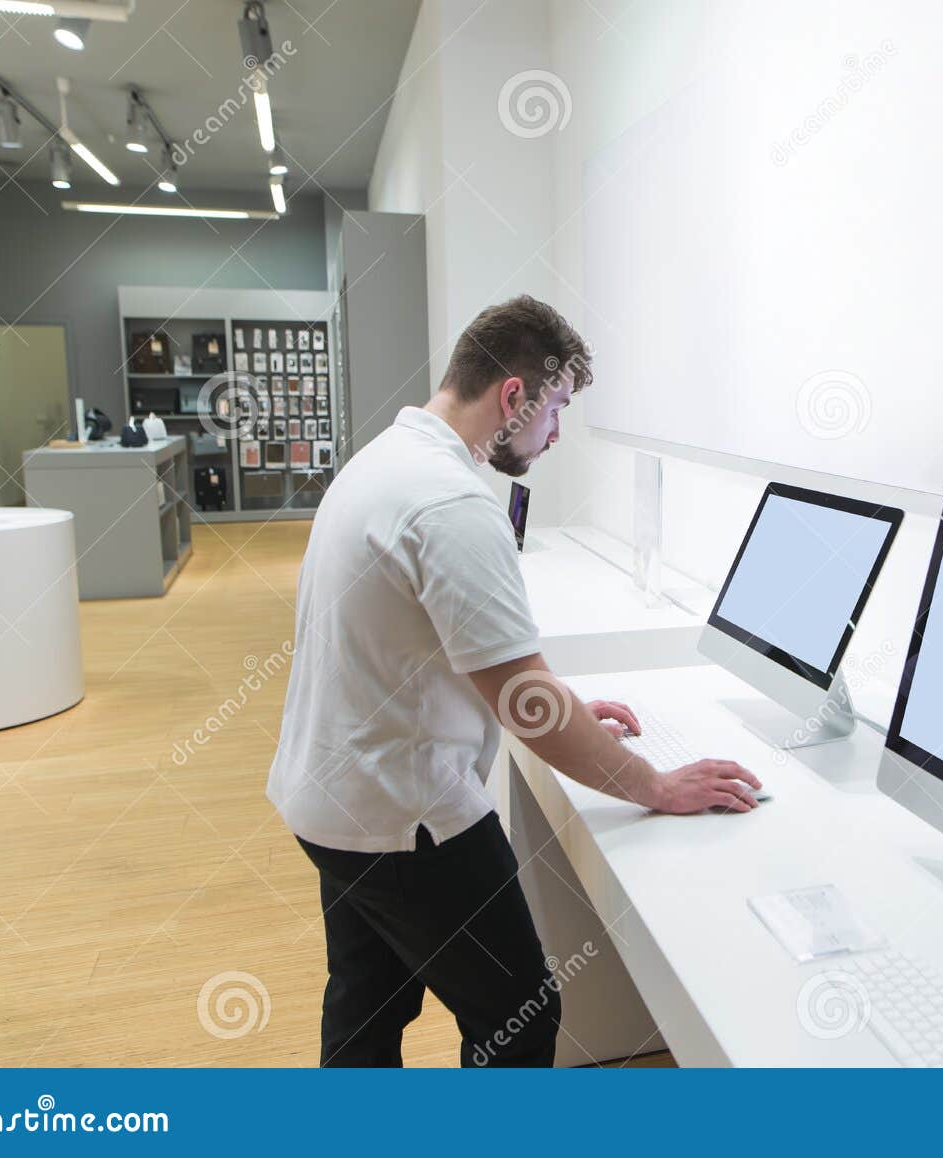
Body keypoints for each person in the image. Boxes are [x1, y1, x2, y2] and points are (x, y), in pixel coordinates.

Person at [266, 295, 762, 1067]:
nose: (557, 431)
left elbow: (438, 651)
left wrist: (565, 710)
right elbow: (525, 703)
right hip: (404, 815)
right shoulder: (453, 502)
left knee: (367, 1004)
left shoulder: (388, 461)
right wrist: (654, 786)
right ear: (512, 396)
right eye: (556, 407)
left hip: (330, 798)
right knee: (520, 1015)